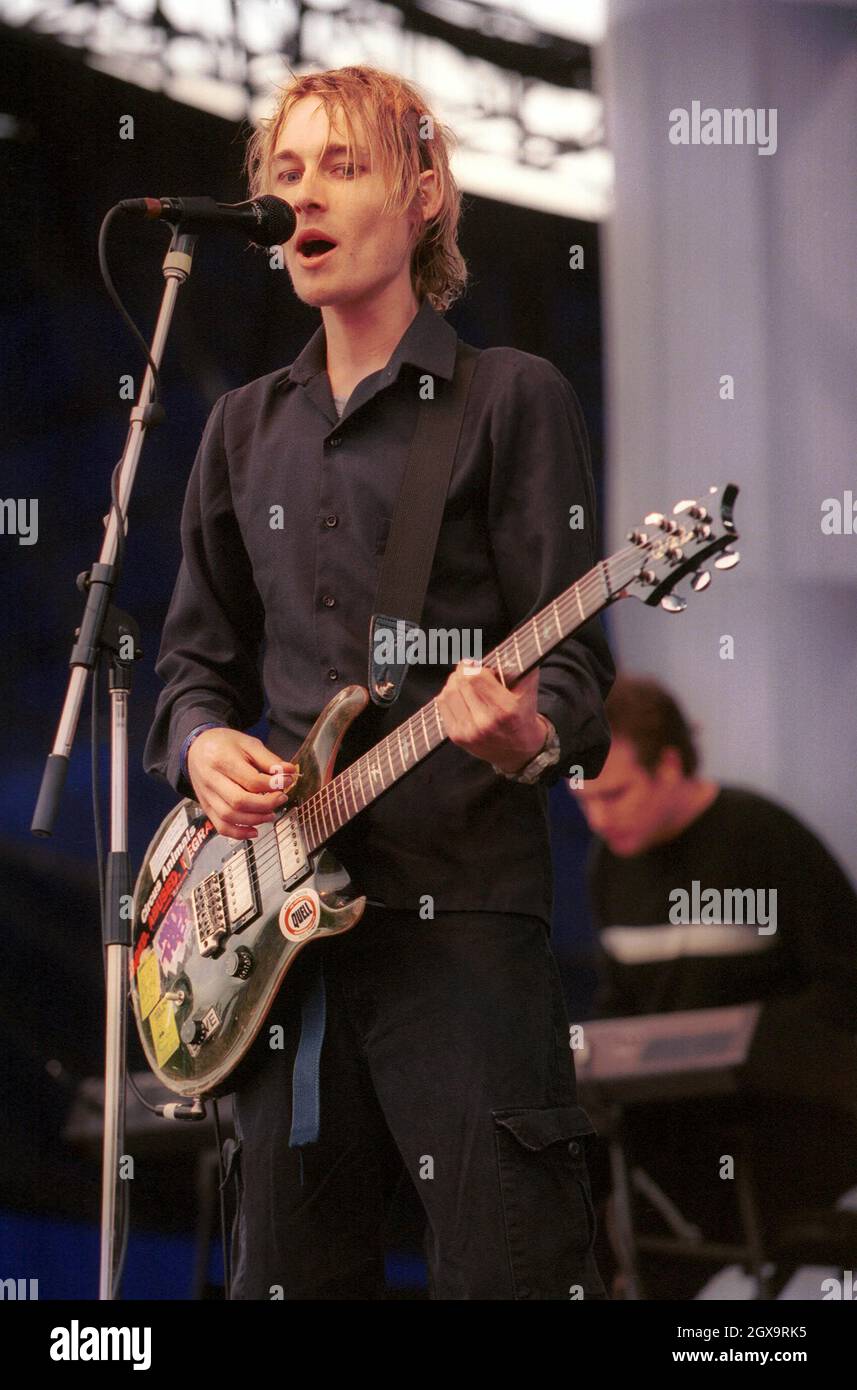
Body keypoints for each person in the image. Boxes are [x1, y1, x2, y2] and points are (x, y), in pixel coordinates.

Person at [143, 64, 615, 1300]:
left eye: (339, 166)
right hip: (282, 951)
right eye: (282, 174)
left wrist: (522, 731)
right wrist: (200, 746)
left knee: (505, 1271)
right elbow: (191, 663)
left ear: (421, 194)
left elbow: (575, 663)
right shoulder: (242, 428)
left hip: (460, 932)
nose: (302, 196)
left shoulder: (511, 398)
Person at [572, 674, 857, 1298]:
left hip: (788, 1127)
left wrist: (740, 1045)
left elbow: (846, 991)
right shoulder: (607, 869)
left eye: (614, 795)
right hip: (670, 1133)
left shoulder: (763, 838)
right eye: (583, 801)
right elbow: (620, 1006)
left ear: (669, 766)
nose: (597, 818)